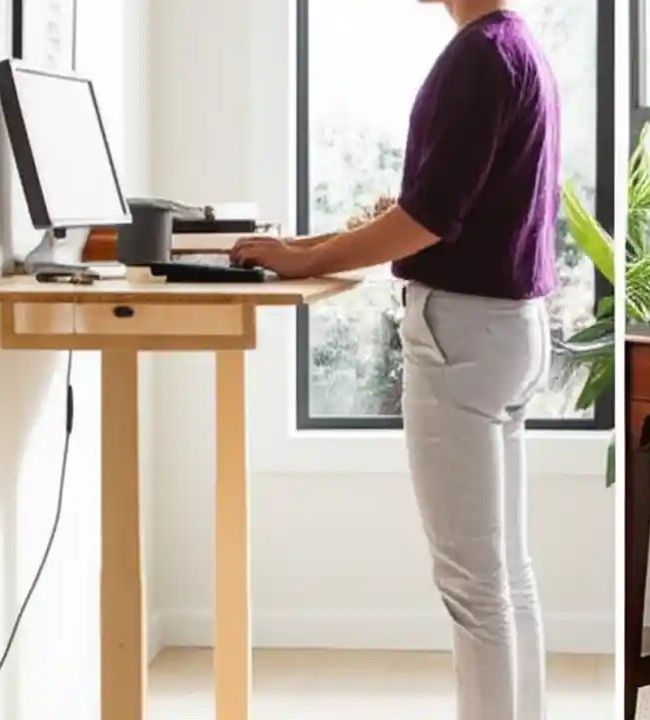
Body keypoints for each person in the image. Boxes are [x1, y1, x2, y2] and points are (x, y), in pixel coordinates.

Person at [232, 1, 560, 717]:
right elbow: (446, 208)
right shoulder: (519, 47)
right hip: (511, 332)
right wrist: (309, 248)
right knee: (507, 573)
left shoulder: (477, 55)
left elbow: (428, 219)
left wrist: (309, 257)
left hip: (462, 336)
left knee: (474, 588)